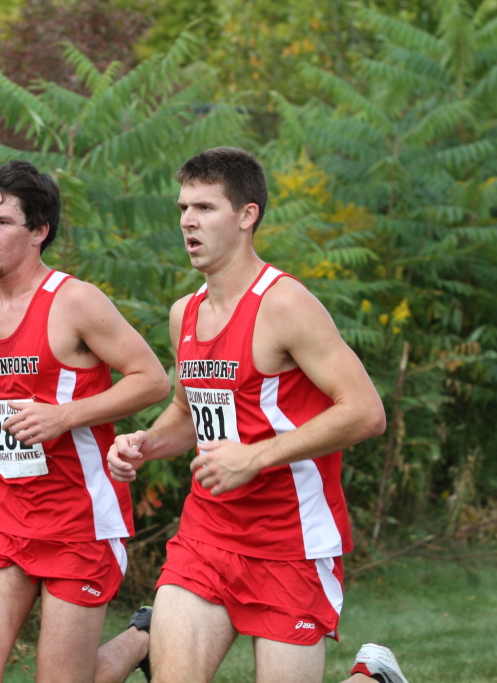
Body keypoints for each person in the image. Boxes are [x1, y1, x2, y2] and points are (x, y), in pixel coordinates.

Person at [102, 147, 406, 683]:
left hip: (292, 543)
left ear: (247, 216)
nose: (187, 222)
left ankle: (372, 678)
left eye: (204, 207)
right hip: (208, 535)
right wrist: (144, 443)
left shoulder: (285, 304)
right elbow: (185, 413)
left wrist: (255, 458)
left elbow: (365, 412)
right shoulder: (185, 314)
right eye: (181, 208)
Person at [0, 160, 169, 682]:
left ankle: (140, 640)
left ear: (39, 231)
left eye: (1, 222)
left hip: (79, 514)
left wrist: (64, 415)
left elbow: (152, 379)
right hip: (6, 506)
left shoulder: (75, 302)